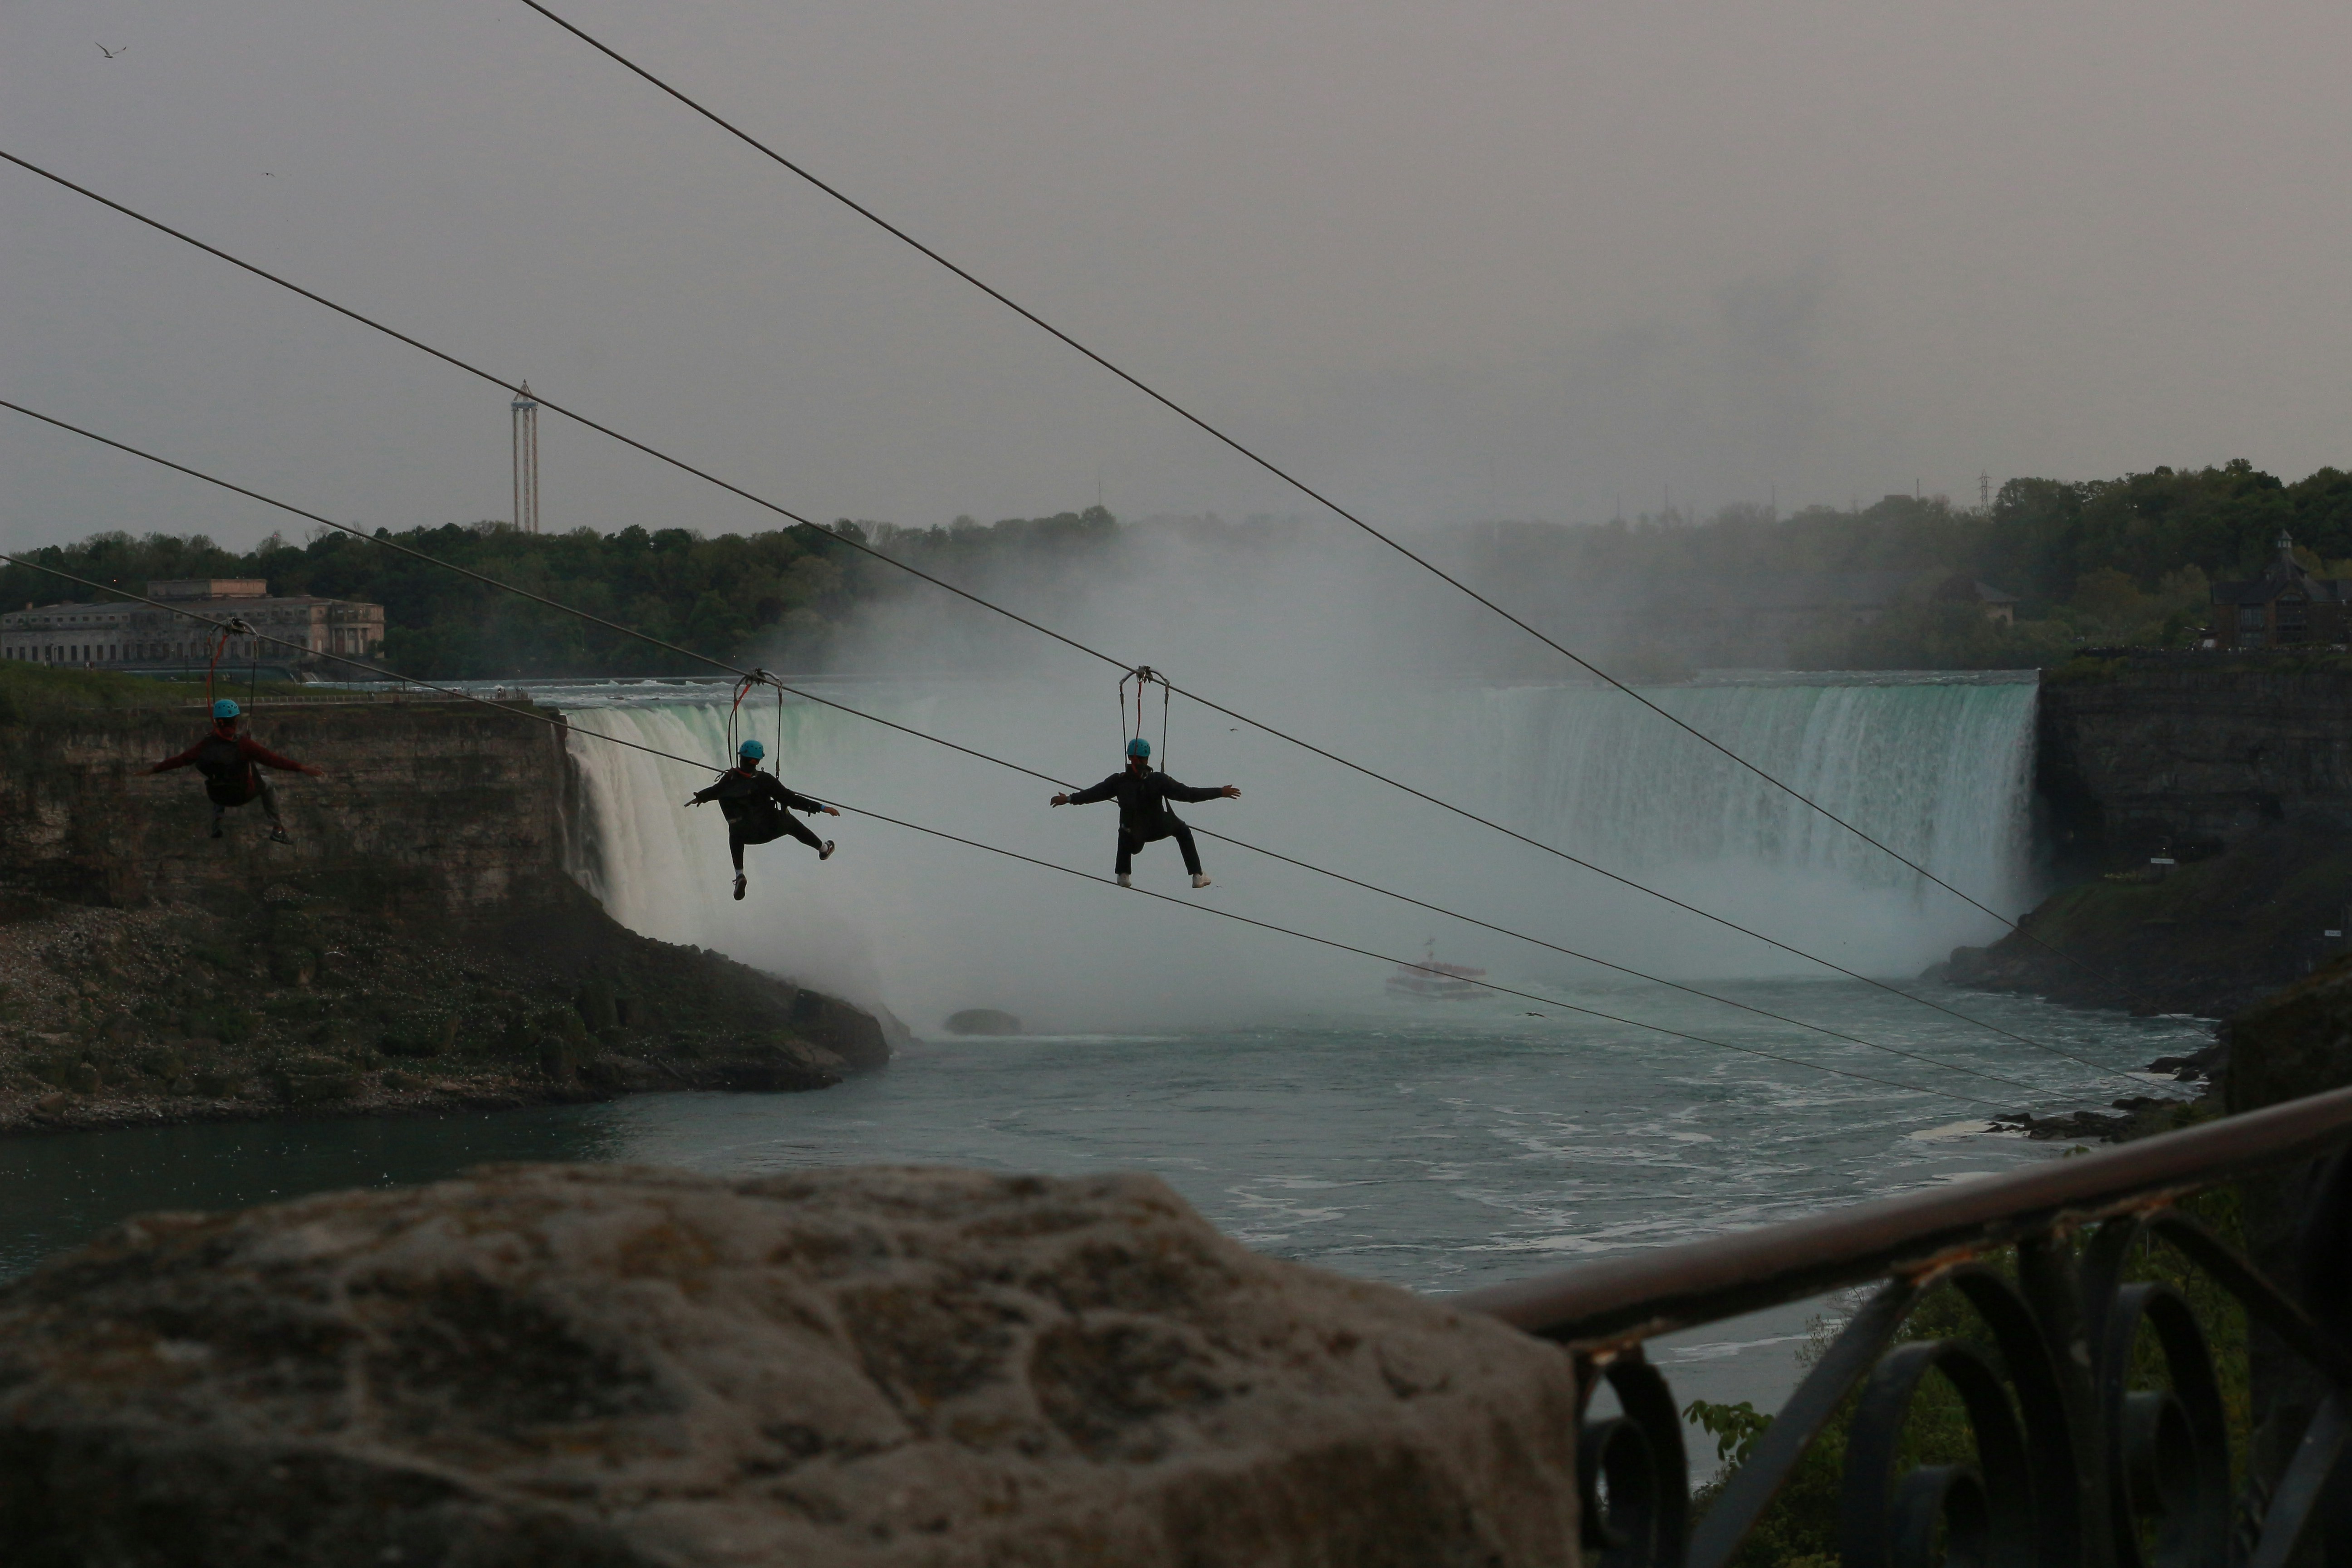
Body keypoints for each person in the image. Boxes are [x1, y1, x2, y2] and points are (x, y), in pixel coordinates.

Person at [1051, 737, 1240, 888]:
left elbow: (1093, 794)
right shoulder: (1158, 780)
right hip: (1159, 826)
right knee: (1183, 831)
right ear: (1147, 759)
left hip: (1135, 833)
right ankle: (1197, 875)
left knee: (1125, 830)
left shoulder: (1119, 781)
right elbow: (1189, 794)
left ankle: (1123, 874)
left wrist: (1069, 799)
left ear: (1129, 757)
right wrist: (1220, 792)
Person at [150, 698, 323, 844]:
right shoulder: (244, 745)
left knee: (219, 774)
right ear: (236, 721)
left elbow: (180, 760)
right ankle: (278, 829)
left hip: (217, 796)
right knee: (267, 784)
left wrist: (154, 770)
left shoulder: (206, 744)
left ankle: (218, 821)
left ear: (217, 721)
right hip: (241, 794)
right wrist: (301, 767)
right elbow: (273, 760)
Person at [687, 738, 838, 902]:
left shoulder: (729, 779)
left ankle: (740, 875)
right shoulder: (765, 780)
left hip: (745, 836)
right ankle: (823, 849)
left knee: (735, 828)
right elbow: (792, 800)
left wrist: (699, 798)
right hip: (769, 830)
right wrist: (822, 808)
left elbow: (714, 791)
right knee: (791, 823)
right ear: (758, 761)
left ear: (741, 757)